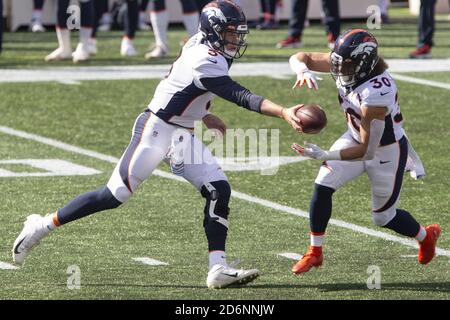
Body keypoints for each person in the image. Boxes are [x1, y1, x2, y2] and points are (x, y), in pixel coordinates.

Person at [12, 0, 303, 289]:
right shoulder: (203, 56)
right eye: (229, 32)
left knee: (218, 189)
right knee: (114, 196)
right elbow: (240, 95)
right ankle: (42, 225)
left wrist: (204, 114)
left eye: (237, 32)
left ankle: (218, 268)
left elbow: (180, 85)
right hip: (156, 129)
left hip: (181, 132)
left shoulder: (201, 45)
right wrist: (284, 111)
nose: (235, 39)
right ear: (212, 31)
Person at [289, 29, 441, 274]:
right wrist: (302, 70)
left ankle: (425, 236)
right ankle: (315, 252)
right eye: (338, 62)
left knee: (383, 217)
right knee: (323, 184)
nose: (339, 70)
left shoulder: (377, 93)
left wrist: (325, 155)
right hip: (355, 136)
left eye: (346, 65)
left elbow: (367, 151)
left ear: (364, 63)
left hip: (385, 151)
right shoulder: (346, 62)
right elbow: (301, 55)